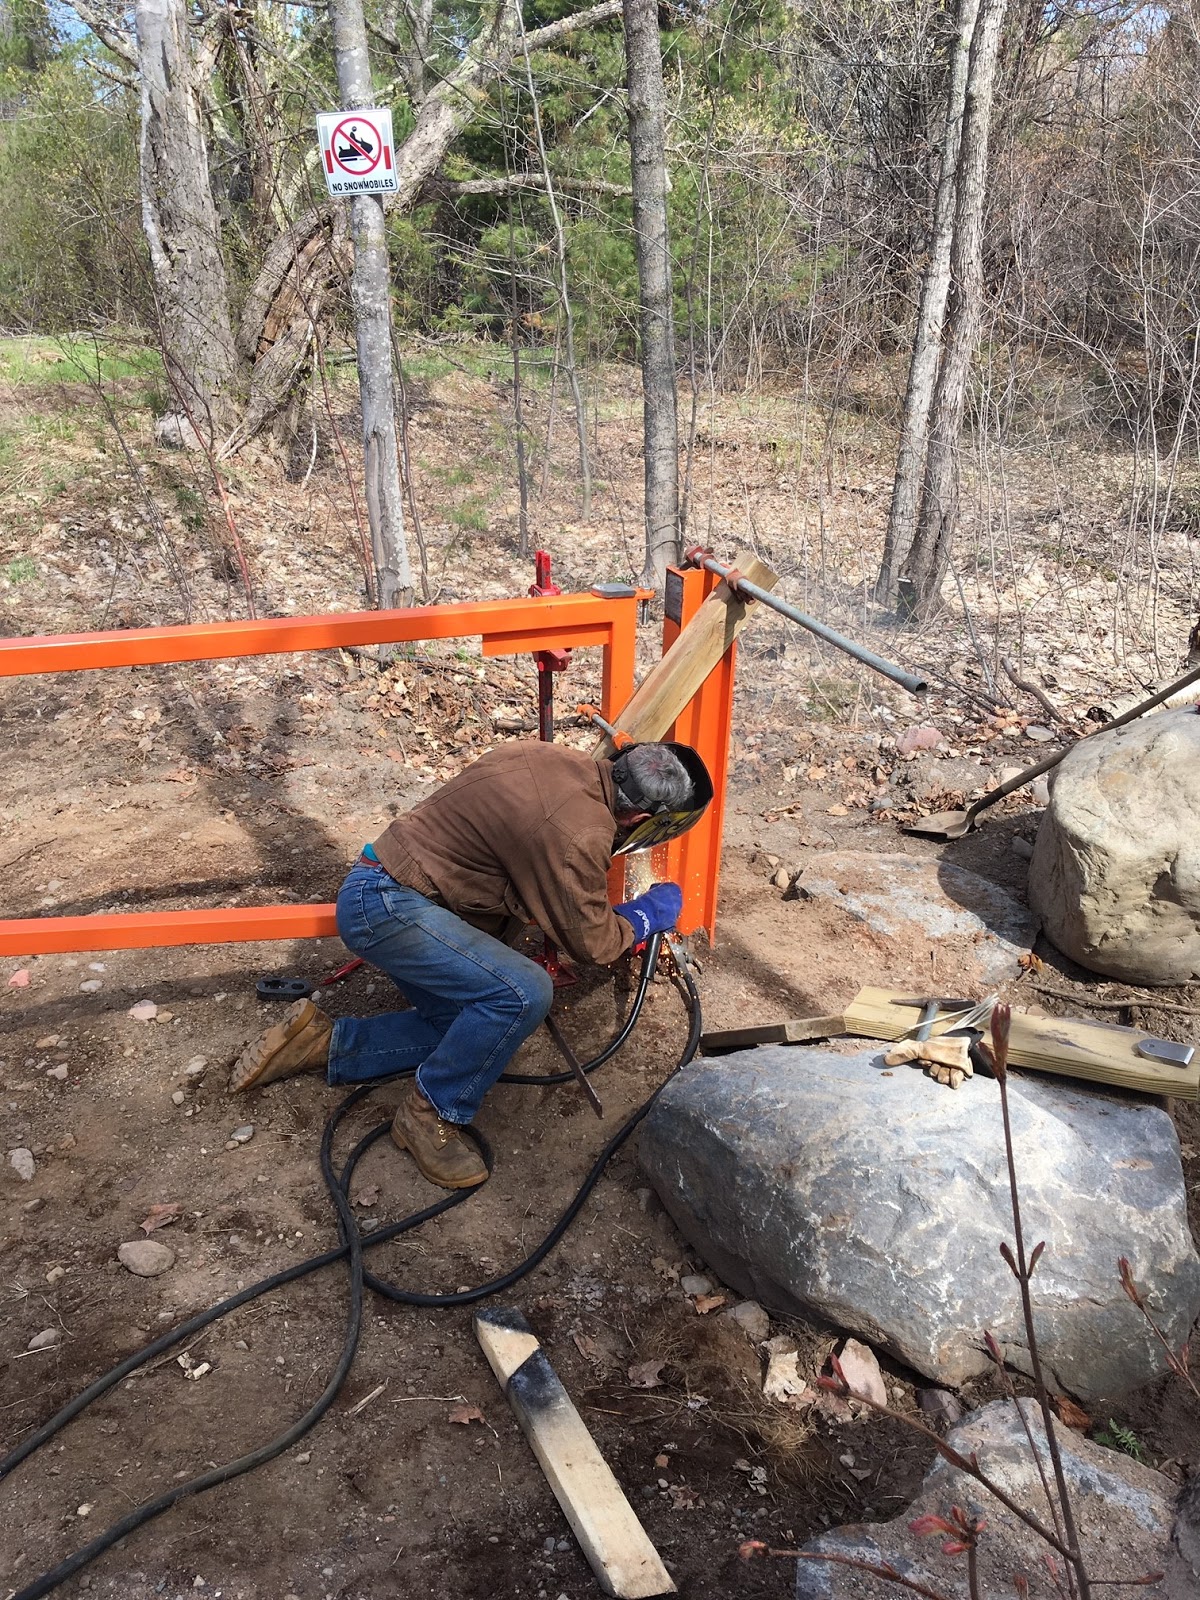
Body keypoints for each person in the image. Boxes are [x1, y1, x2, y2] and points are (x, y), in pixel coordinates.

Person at [228, 739, 705, 1190]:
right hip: (390, 909)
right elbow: (596, 944)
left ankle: (324, 1043)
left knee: (471, 1033)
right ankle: (429, 1115)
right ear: (641, 816)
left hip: (385, 886)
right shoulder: (581, 833)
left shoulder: (542, 753)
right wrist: (646, 914)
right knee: (524, 993)